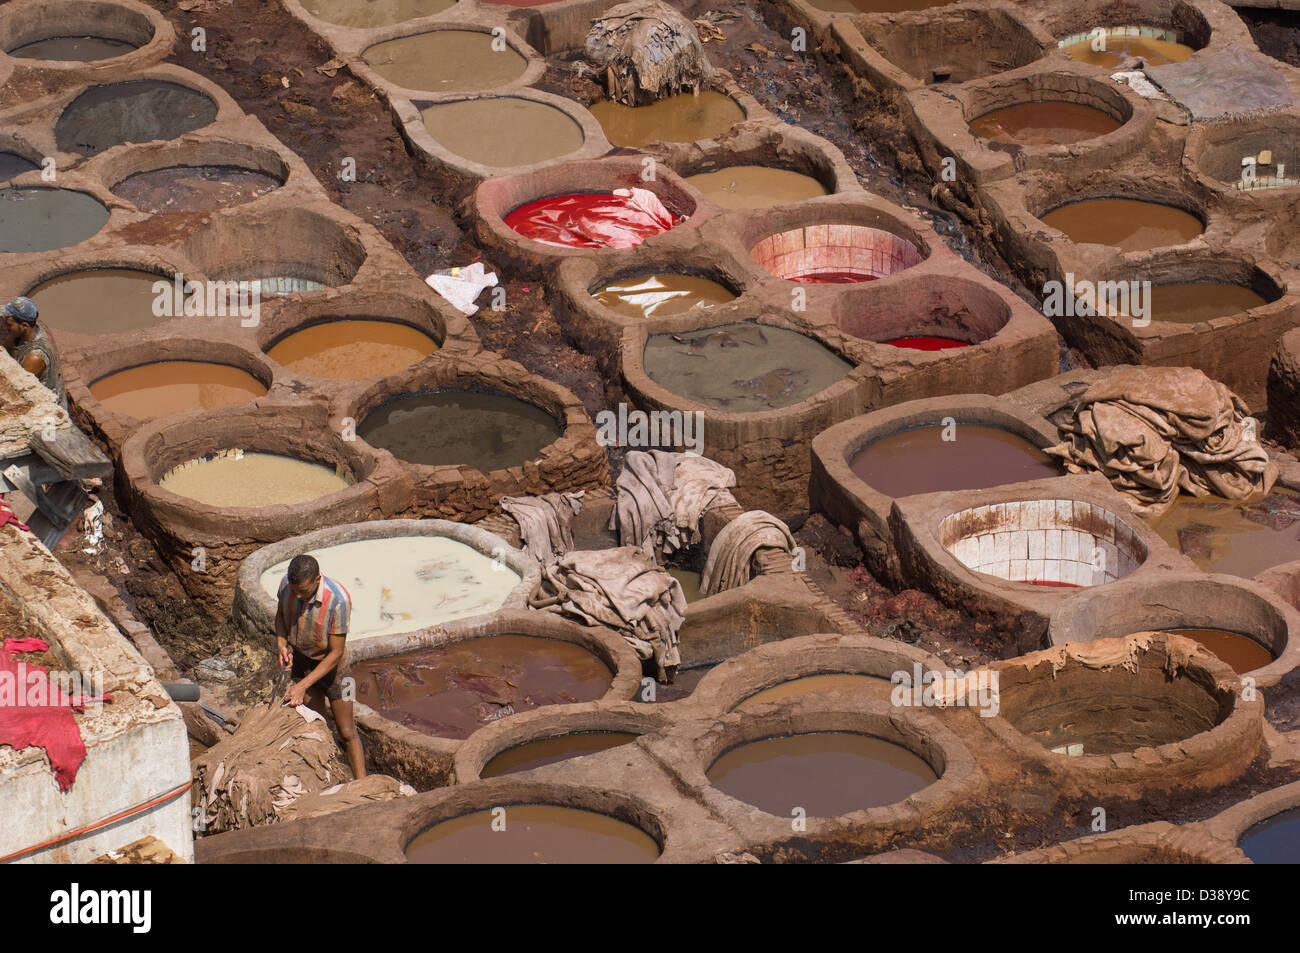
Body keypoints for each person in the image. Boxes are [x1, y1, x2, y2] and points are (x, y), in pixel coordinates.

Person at [274, 554, 366, 779]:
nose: (298, 596)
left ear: (317, 579)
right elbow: (279, 616)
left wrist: (301, 686)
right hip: (304, 663)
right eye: (295, 591)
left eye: (304, 592)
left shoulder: (338, 600)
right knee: (318, 725)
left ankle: (363, 784)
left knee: (347, 731)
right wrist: (281, 643)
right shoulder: (287, 585)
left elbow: (335, 654)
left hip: (339, 671)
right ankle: (331, 777)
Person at [2, 296, 66, 409]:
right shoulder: (35, 325)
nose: (6, 327)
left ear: (24, 325)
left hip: (49, 409)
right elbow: (9, 345)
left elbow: (17, 388)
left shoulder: (35, 357)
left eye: (9, 325)